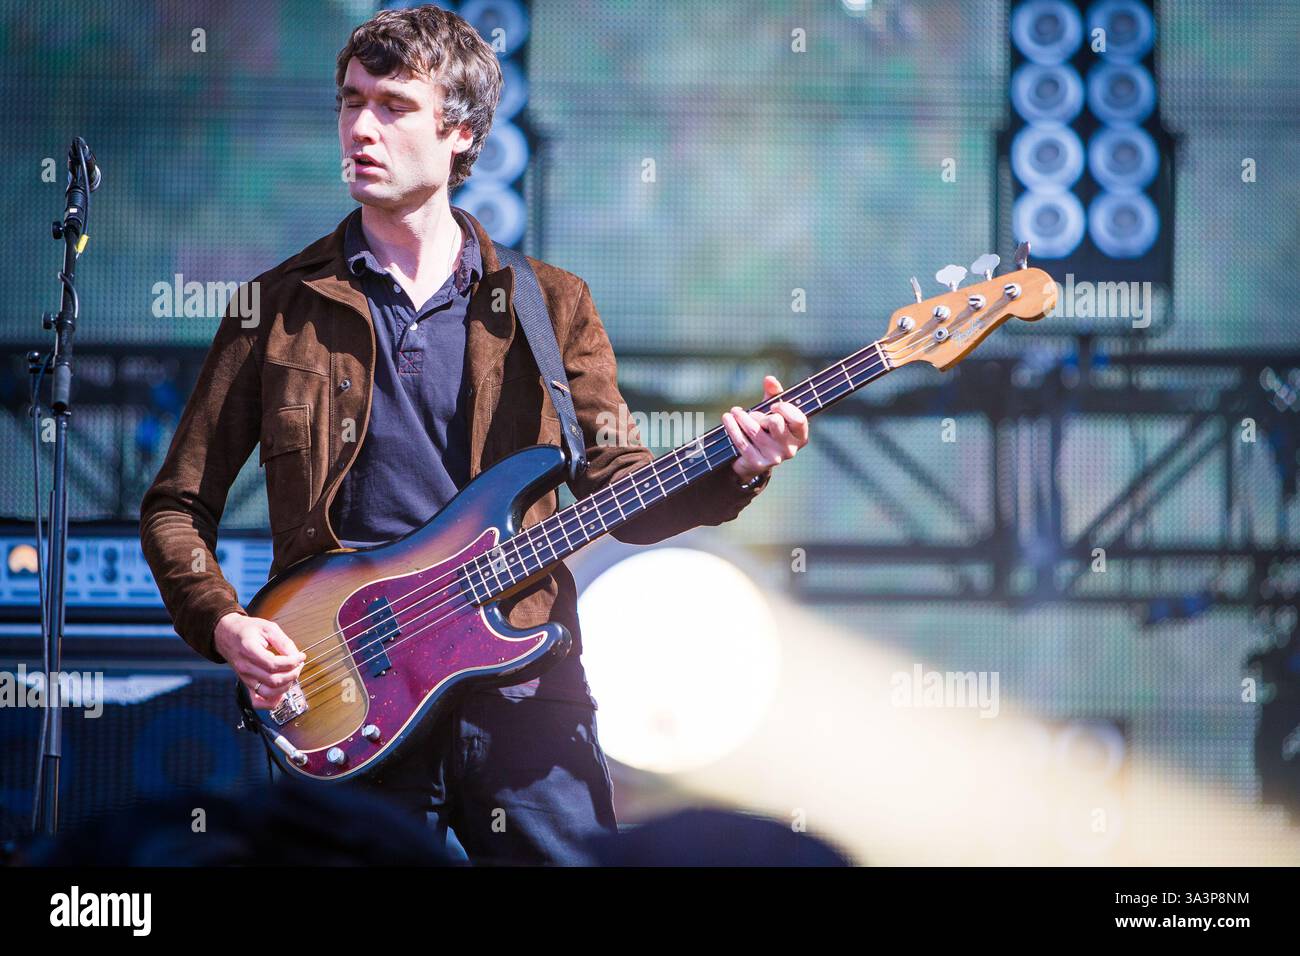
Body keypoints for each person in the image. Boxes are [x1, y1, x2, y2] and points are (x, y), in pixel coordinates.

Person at [139, 5, 809, 865]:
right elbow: (176, 505)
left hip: (525, 689)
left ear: (459, 132)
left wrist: (735, 470)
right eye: (350, 101)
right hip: (342, 681)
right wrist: (224, 624)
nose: (360, 127)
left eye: (392, 106)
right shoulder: (277, 308)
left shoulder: (550, 302)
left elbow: (622, 494)